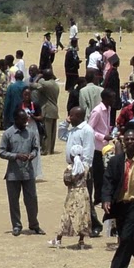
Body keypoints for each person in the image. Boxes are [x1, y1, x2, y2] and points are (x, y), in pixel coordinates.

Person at [103, 125, 134, 268]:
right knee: (131, 240)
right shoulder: (116, 162)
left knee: (125, 239)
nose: (130, 142)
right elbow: (108, 182)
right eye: (127, 139)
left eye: (133, 139)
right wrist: (106, 199)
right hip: (120, 206)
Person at [52, 105, 94, 249]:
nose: (70, 117)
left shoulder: (87, 130)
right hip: (72, 168)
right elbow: (62, 135)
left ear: (79, 116)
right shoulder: (74, 130)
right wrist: (65, 123)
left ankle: (77, 236)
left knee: (80, 206)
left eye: (72, 115)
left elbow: (88, 154)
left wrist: (81, 171)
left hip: (80, 171)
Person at [0, 107, 42, 237]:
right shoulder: (8, 133)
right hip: (13, 174)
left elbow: (35, 148)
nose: (25, 122)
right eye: (23, 120)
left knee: (32, 199)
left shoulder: (31, 133)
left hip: (28, 172)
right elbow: (1, 152)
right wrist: (16, 156)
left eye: (26, 119)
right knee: (14, 201)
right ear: (16, 119)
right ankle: (16, 225)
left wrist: (32, 155)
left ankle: (34, 225)